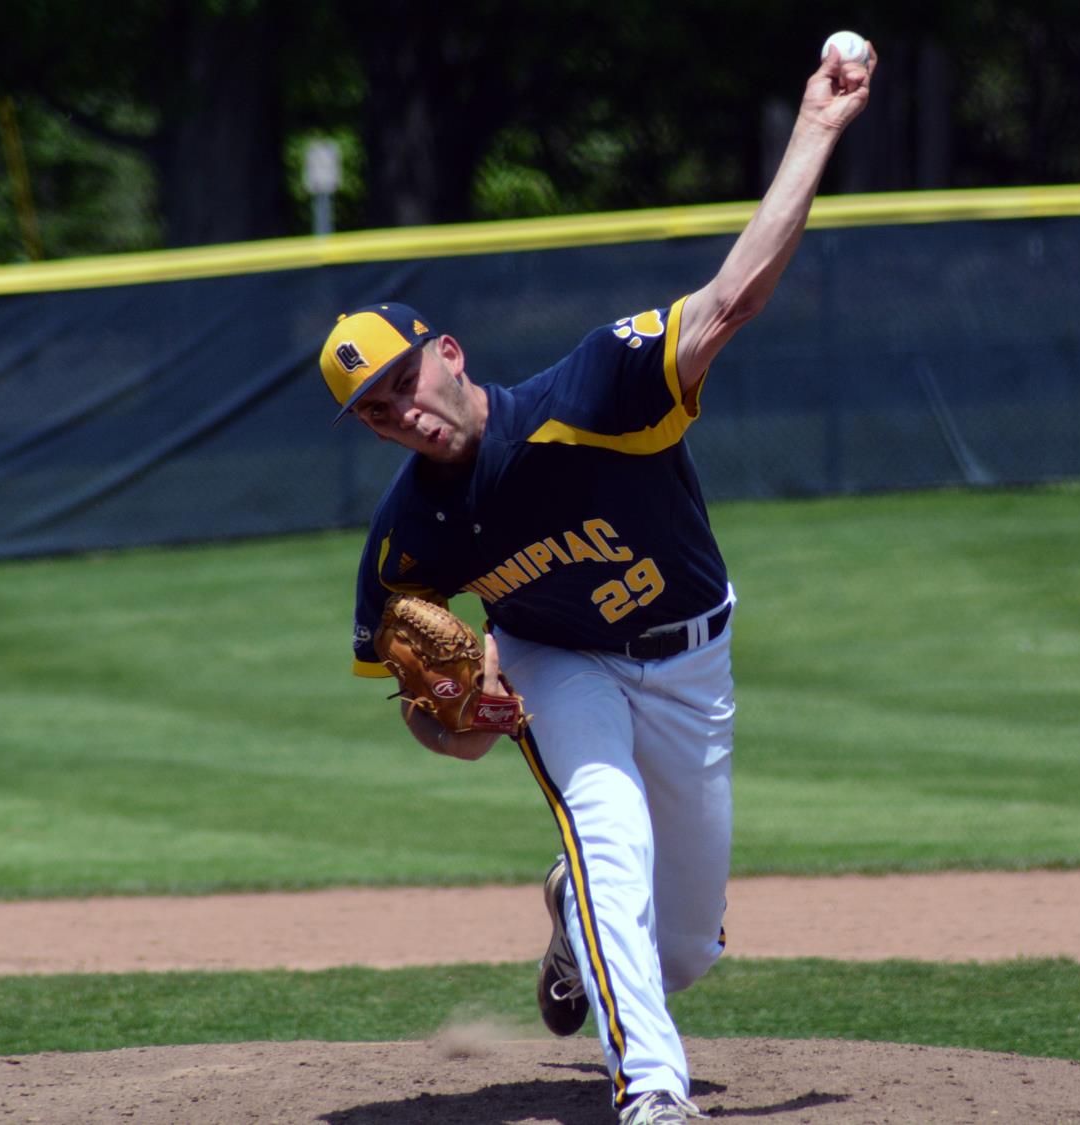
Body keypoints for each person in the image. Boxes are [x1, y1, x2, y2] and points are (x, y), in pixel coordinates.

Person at [319, 38, 875, 1125]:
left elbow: (729, 301)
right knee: (609, 826)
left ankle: (574, 921)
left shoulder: (592, 393)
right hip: (556, 663)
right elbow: (431, 718)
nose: (401, 412)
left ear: (448, 352)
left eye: (402, 379)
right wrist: (460, 721)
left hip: (693, 657)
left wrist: (816, 128)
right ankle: (652, 1090)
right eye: (375, 411)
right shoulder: (406, 542)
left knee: (685, 949)